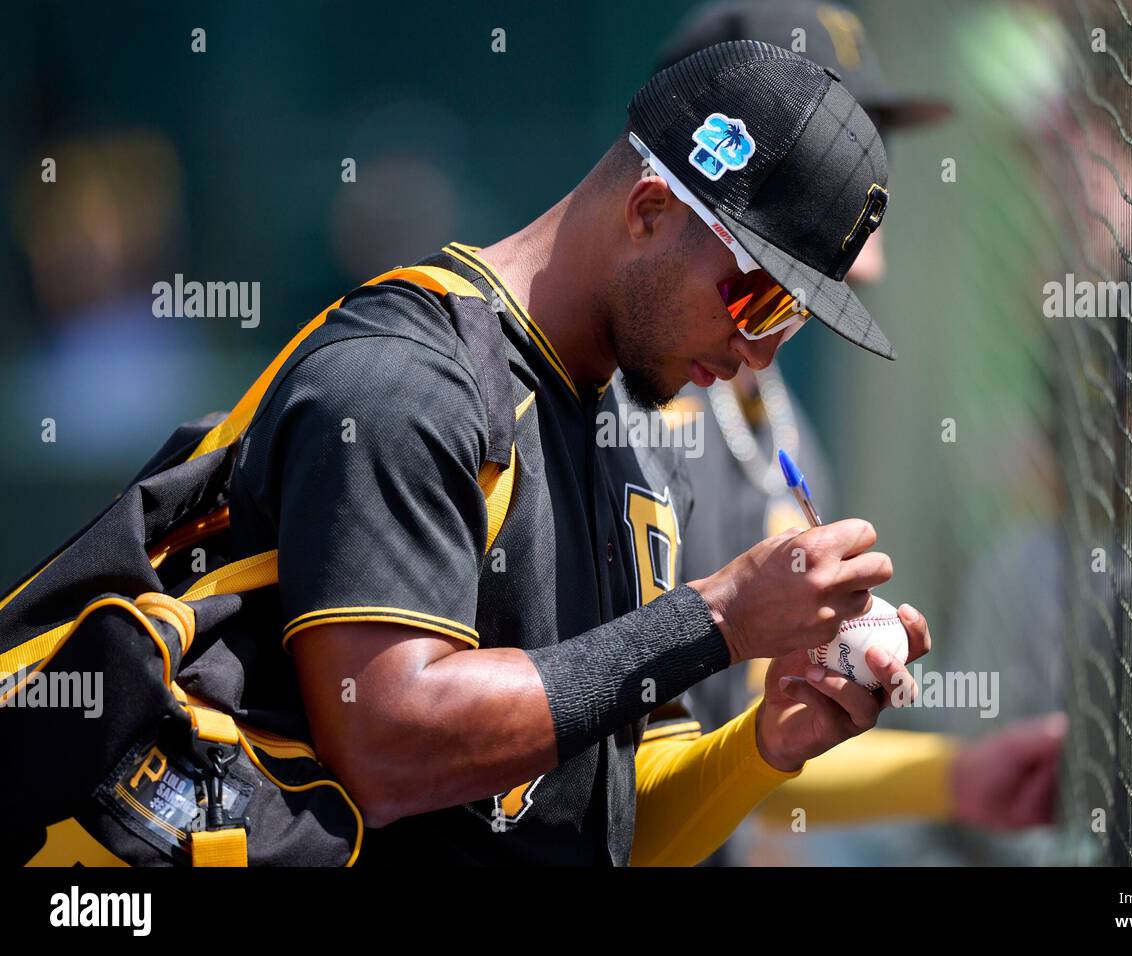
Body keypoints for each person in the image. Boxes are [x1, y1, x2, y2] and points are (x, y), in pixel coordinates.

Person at [223, 41, 933, 866]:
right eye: (760, 296)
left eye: (792, 318)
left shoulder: (643, 448)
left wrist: (764, 746)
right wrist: (717, 620)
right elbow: (386, 748)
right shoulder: (402, 383)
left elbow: (614, 833)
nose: (762, 351)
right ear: (649, 210)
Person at [649, 0, 1062, 866]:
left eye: (873, 139)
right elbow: (613, 787)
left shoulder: (768, 403)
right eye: (833, 137)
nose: (869, 175)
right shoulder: (635, 400)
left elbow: (750, 737)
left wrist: (955, 777)